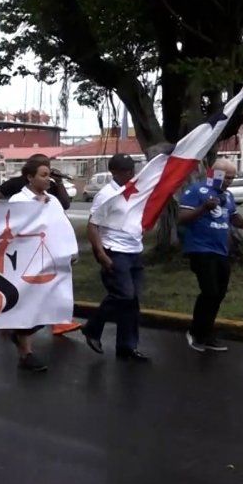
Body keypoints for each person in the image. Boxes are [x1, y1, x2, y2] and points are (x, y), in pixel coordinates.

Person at [178, 158, 243, 353]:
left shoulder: (227, 195)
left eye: (232, 178)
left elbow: (234, 217)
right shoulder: (196, 191)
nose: (229, 181)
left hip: (221, 250)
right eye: (226, 177)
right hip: (200, 249)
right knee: (210, 291)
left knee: (218, 294)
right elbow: (182, 218)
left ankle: (207, 333)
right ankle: (195, 333)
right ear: (215, 174)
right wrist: (204, 208)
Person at [79, 154, 150, 361]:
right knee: (124, 295)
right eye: (126, 170)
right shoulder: (106, 194)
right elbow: (93, 226)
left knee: (132, 301)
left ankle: (127, 346)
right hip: (114, 250)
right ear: (115, 172)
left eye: (132, 169)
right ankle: (92, 328)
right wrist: (100, 254)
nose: (131, 174)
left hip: (134, 250)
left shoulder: (132, 191)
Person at [5, 158, 67, 372]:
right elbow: (14, 230)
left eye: (48, 174)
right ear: (30, 177)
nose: (47, 178)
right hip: (26, 261)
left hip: (51, 260)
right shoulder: (18, 200)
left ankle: (19, 333)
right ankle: (26, 354)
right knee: (28, 305)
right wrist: (35, 211)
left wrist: (70, 251)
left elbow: (62, 226)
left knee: (51, 304)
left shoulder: (53, 201)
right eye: (42, 174)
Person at [0, 153, 72, 209]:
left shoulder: (50, 185)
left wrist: (59, 182)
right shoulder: (14, 184)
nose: (47, 177)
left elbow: (65, 205)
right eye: (43, 174)